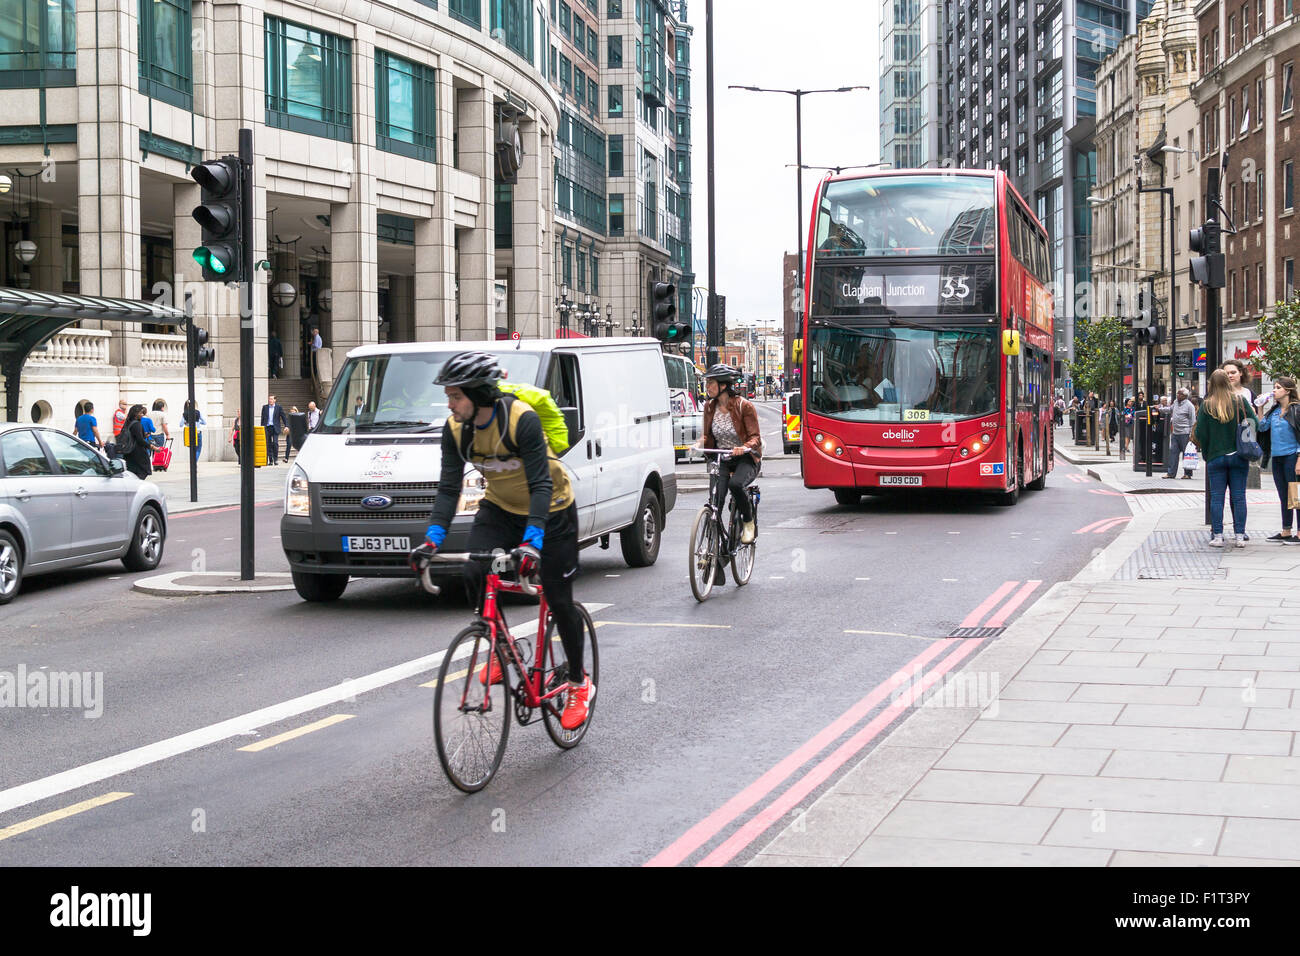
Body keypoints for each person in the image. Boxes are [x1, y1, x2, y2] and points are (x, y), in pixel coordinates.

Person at [409, 351, 591, 731]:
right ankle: (500, 645)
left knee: (558, 599)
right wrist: (432, 540)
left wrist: (532, 544)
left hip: (552, 510)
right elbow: (447, 488)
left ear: (477, 394)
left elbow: (542, 483)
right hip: (501, 508)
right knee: (475, 568)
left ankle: (578, 683)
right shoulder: (456, 429)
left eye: (455, 396)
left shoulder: (519, 419)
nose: (449, 403)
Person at [693, 364, 762, 582]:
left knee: (735, 485)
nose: (708, 387)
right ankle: (716, 550)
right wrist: (699, 443)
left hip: (745, 459)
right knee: (716, 501)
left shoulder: (744, 406)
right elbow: (707, 436)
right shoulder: (709, 407)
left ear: (724, 386)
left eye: (711, 383)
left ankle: (748, 523)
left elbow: (755, 437)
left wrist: (745, 446)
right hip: (721, 457)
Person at [1191, 368, 1259, 548]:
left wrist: (1208, 452)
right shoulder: (1239, 400)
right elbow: (1254, 423)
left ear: (1211, 384)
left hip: (1215, 457)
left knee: (1217, 498)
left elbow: (1200, 433)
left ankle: (1218, 536)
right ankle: (1239, 535)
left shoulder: (1207, 405)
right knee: (1239, 497)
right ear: (1228, 383)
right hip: (1238, 456)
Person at [1256, 376, 1300, 542]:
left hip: (1292, 456)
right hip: (1277, 457)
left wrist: (1299, 459)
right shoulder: (1274, 411)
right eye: (1274, 387)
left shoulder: (1296, 409)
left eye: (1278, 387)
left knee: (1296, 496)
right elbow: (1261, 426)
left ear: (1288, 391)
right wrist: (1260, 408)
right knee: (1283, 495)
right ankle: (1286, 530)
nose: (1274, 390)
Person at [1161, 389, 1196, 479]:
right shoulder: (1175, 402)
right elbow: (1169, 409)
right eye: (1177, 393)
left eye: (1180, 394)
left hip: (1185, 433)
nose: (1178, 395)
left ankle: (1187, 474)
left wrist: (1191, 434)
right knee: (1173, 453)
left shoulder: (1189, 406)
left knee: (1186, 454)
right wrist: (1160, 409)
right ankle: (1171, 473)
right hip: (1175, 432)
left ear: (1185, 396)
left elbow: (1193, 421)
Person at [119, 404, 153, 480]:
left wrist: (144, 435)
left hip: (129, 452)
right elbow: (140, 440)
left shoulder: (128, 423)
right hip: (137, 453)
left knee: (132, 473)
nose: (142, 415)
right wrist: (151, 446)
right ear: (135, 414)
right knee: (142, 472)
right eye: (140, 413)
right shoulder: (136, 424)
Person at [260, 394, 289, 466]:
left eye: (272, 399)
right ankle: (270, 460)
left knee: (275, 443)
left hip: (275, 428)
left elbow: (283, 417)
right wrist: (262, 427)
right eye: (269, 399)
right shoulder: (265, 407)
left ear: (275, 400)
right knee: (268, 444)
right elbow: (262, 418)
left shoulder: (278, 407)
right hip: (267, 427)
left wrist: (286, 425)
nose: (270, 400)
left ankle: (275, 459)